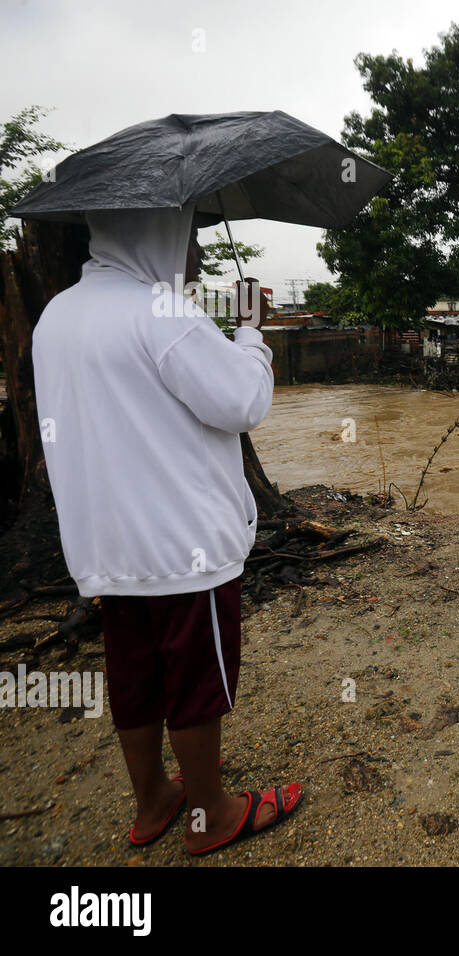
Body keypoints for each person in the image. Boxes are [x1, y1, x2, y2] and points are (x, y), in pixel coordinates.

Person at [32, 204, 302, 855]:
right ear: (154, 232)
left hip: (107, 546)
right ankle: (212, 812)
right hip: (185, 544)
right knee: (195, 678)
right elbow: (242, 402)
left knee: (134, 673)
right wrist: (250, 333)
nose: (199, 257)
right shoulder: (161, 313)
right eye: (189, 237)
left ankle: (152, 799)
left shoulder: (55, 317)